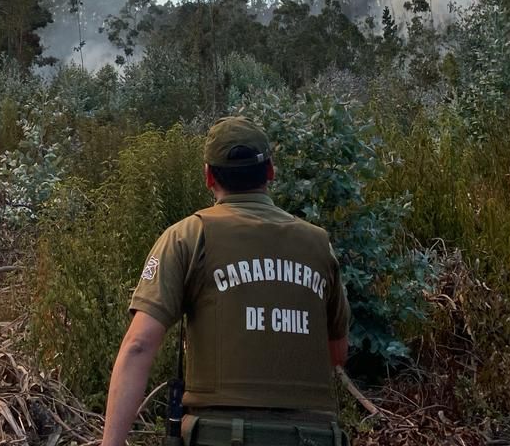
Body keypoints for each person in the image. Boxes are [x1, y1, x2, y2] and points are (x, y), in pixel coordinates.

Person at [101, 116, 350, 446]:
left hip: (220, 436)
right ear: (271, 172)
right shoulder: (320, 245)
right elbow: (337, 353)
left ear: (208, 176)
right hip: (314, 436)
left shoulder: (189, 236)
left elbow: (138, 345)